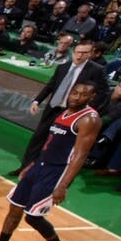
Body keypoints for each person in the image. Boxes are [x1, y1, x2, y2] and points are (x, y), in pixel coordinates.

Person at [0, 81, 102, 241]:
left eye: (83, 94)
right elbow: (51, 143)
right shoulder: (65, 112)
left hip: (56, 171)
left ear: (92, 97)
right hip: (40, 165)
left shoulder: (89, 119)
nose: (77, 97)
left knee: (33, 216)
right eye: (75, 92)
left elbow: (80, 155)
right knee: (15, 207)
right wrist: (32, 164)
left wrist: (63, 185)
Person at [16, 39, 106, 172]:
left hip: (72, 112)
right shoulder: (63, 66)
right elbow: (51, 85)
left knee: (58, 143)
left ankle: (45, 170)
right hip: (53, 107)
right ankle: (25, 167)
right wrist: (37, 101)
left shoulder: (96, 70)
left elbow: (104, 92)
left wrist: (86, 110)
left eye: (84, 53)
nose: (79, 55)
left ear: (90, 54)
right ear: (73, 52)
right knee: (38, 138)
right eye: (77, 52)